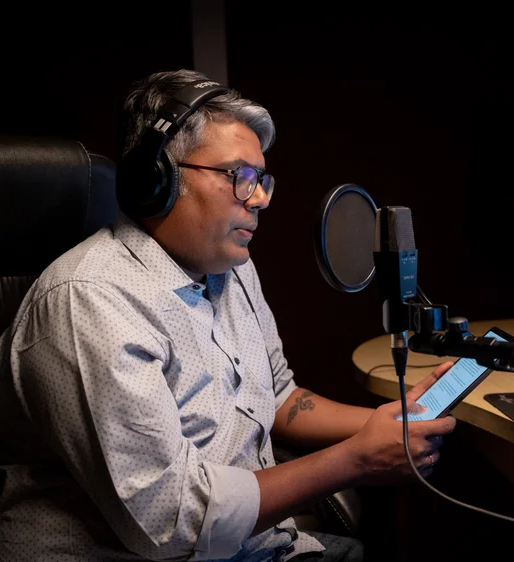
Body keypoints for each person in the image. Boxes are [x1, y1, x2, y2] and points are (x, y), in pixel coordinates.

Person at [0, 69, 456, 561]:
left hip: (254, 545)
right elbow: (173, 522)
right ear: (157, 179)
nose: (259, 197)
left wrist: (388, 424)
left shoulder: (232, 267)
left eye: (262, 180)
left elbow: (279, 398)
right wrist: (356, 460)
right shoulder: (89, 301)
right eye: (239, 176)